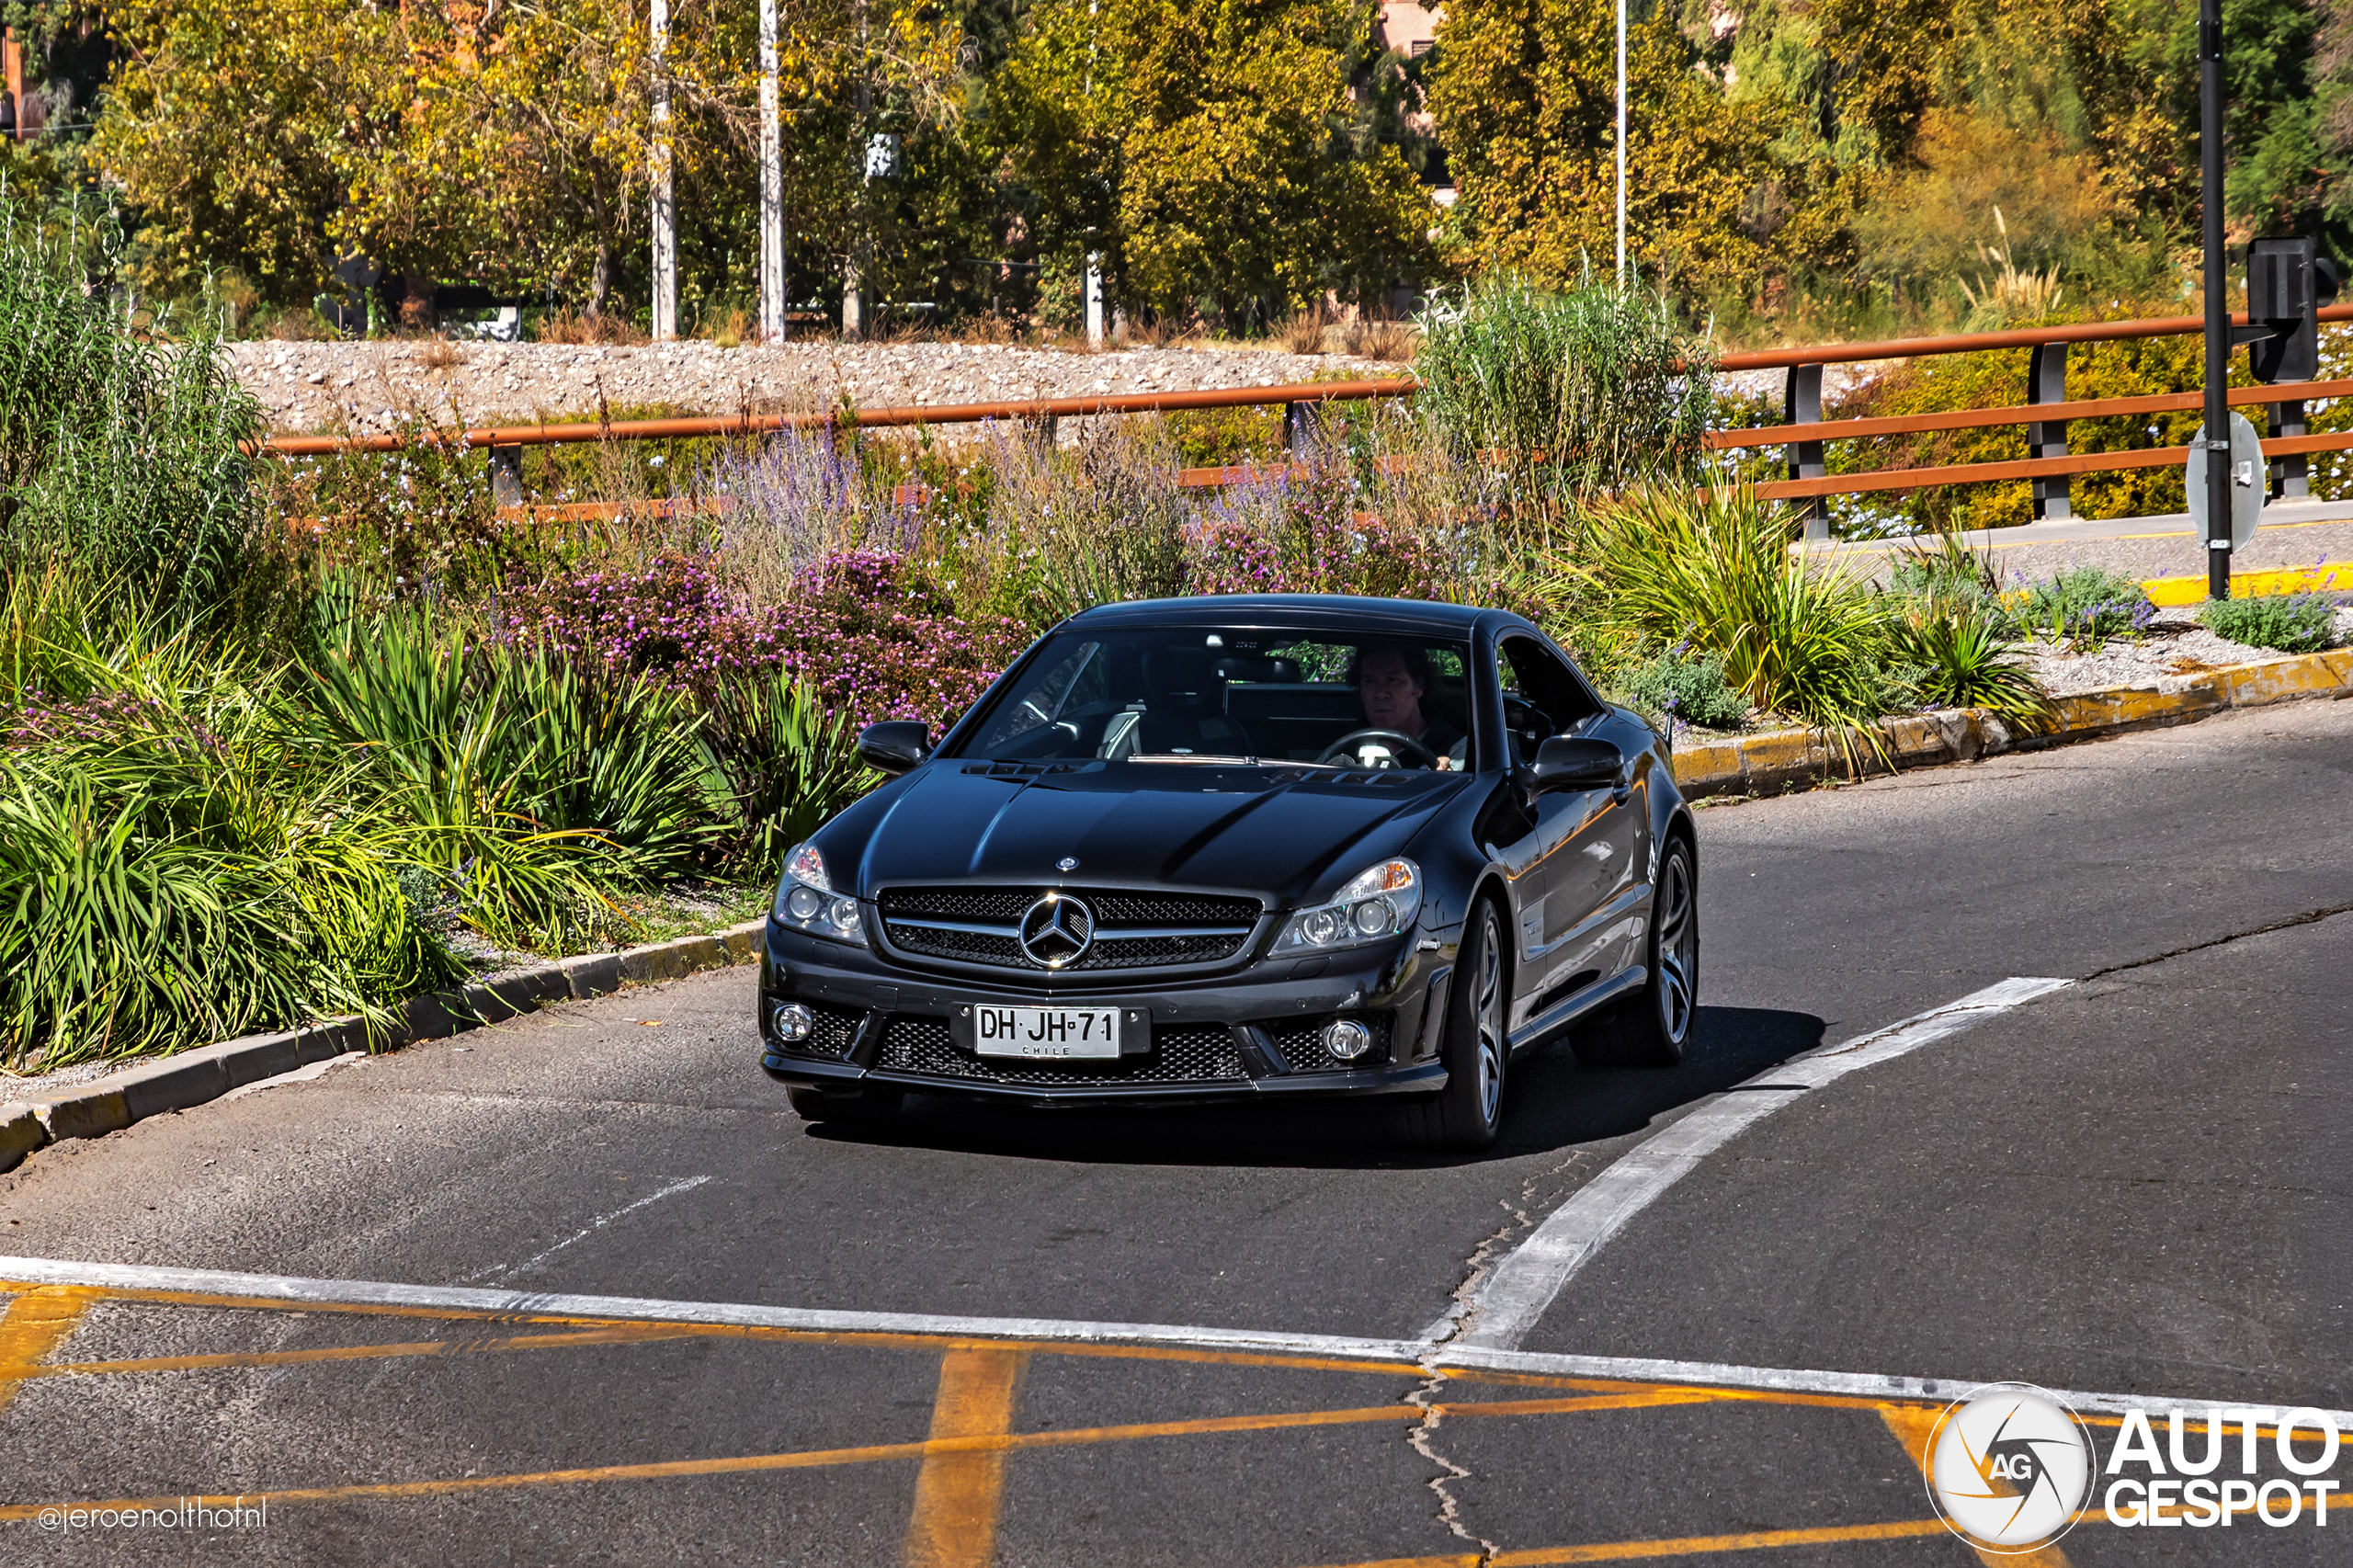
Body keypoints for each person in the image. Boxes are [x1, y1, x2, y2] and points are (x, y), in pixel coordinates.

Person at [1348, 643, 1466, 769]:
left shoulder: (1454, 749)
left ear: (1418, 686)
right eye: (1370, 681)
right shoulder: (1347, 744)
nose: (1380, 693)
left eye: (1392, 680)